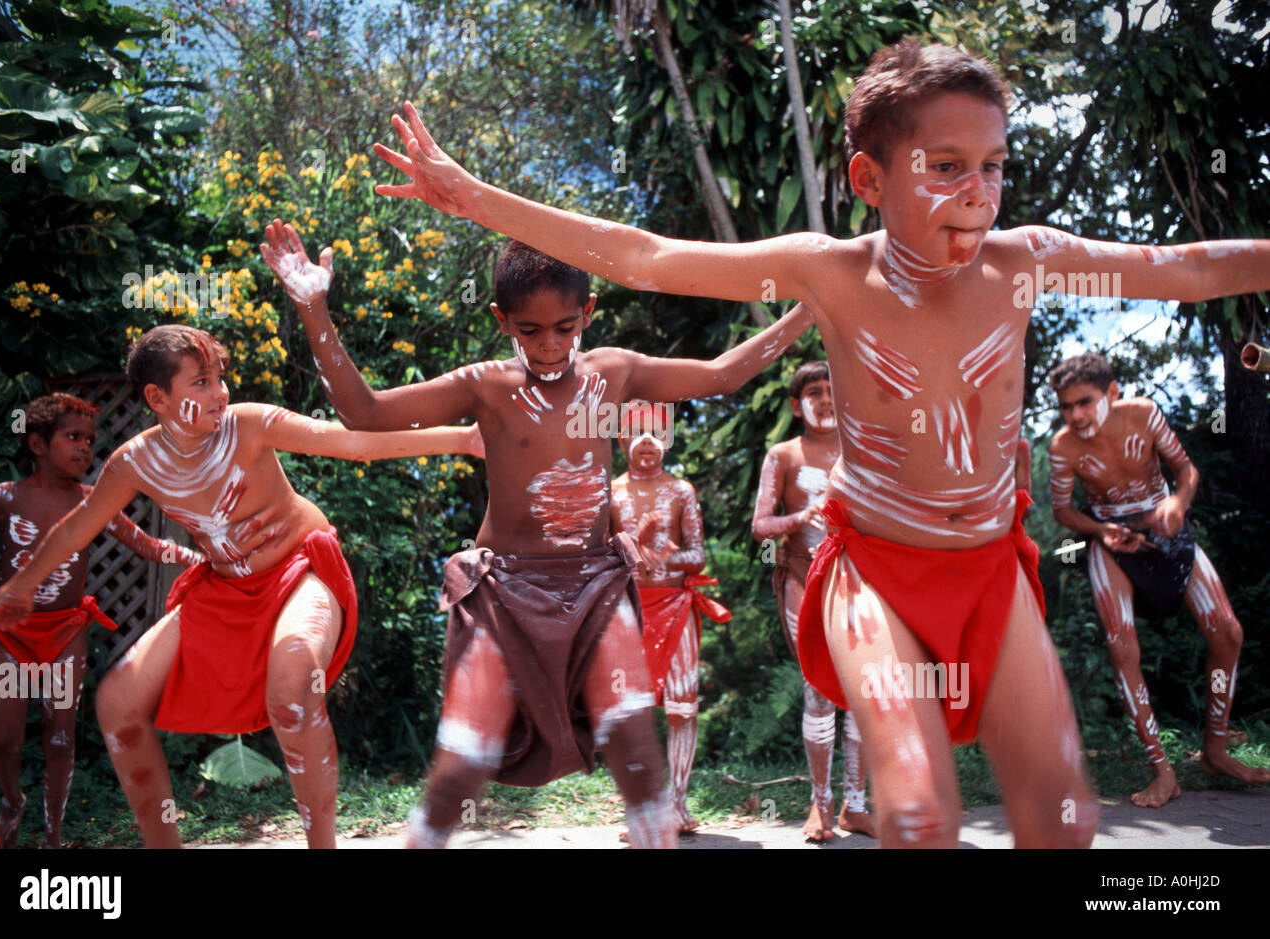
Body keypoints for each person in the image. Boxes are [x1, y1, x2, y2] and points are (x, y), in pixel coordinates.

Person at [372, 38, 1270, 846]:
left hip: (992, 573)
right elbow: (640, 253)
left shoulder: (1026, 260)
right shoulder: (832, 274)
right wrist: (474, 198)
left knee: (1065, 820)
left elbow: (1182, 268)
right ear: (870, 180)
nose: (979, 194)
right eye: (948, 165)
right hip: (874, 574)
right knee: (919, 816)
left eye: (994, 167)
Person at [261, 221, 813, 848]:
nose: (549, 345)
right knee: (463, 763)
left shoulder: (614, 372)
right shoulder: (487, 386)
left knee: (636, 747)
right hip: (505, 592)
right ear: (502, 319)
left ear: (588, 314)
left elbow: (721, 375)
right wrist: (313, 309)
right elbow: (365, 412)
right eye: (530, 330)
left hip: (597, 584)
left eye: (565, 328)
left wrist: (808, 308)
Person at [0, 325, 482, 848]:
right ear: (158, 398)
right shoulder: (135, 463)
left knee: (293, 688)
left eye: (219, 378)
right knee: (117, 704)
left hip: (300, 571)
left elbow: (355, 445)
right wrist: (22, 586)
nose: (219, 392)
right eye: (200, 382)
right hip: (224, 592)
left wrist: (460, 438)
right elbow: (75, 528)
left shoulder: (248, 425)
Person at [0, 393, 204, 848]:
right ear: (37, 445)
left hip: (65, 634)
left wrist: (202, 558)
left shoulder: (94, 502)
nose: (84, 448)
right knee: (4, 741)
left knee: (59, 738)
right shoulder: (6, 496)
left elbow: (149, 544)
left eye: (90, 441)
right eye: (72, 437)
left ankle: (53, 837)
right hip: (11, 634)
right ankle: (11, 803)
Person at [1048, 352, 1269, 807]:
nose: (1076, 416)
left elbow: (1187, 471)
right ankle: (1161, 770)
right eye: (1067, 407)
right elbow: (1063, 510)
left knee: (1228, 632)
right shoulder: (1063, 447)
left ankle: (1215, 749)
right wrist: (1100, 529)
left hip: (1167, 528)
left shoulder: (1144, 414)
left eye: (1085, 402)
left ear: (1112, 393)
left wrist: (1177, 505)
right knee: (1122, 645)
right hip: (1114, 542)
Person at [752, 361, 873, 841]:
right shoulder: (783, 455)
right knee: (819, 688)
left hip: (862, 577)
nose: (826, 399)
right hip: (805, 573)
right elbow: (761, 526)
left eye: (833, 390)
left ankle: (855, 806)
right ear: (795, 405)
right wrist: (802, 517)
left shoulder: (864, 452)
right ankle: (820, 806)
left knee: (863, 692)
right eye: (815, 392)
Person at [610, 401, 730, 834]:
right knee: (630, 711)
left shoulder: (682, 491)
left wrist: (669, 556)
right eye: (637, 432)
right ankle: (641, 809)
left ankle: (676, 806)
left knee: (682, 707)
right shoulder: (610, 493)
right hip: (627, 611)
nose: (647, 441)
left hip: (676, 608)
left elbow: (699, 556)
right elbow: (600, 559)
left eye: (656, 433)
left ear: (667, 441)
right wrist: (634, 546)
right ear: (622, 439)